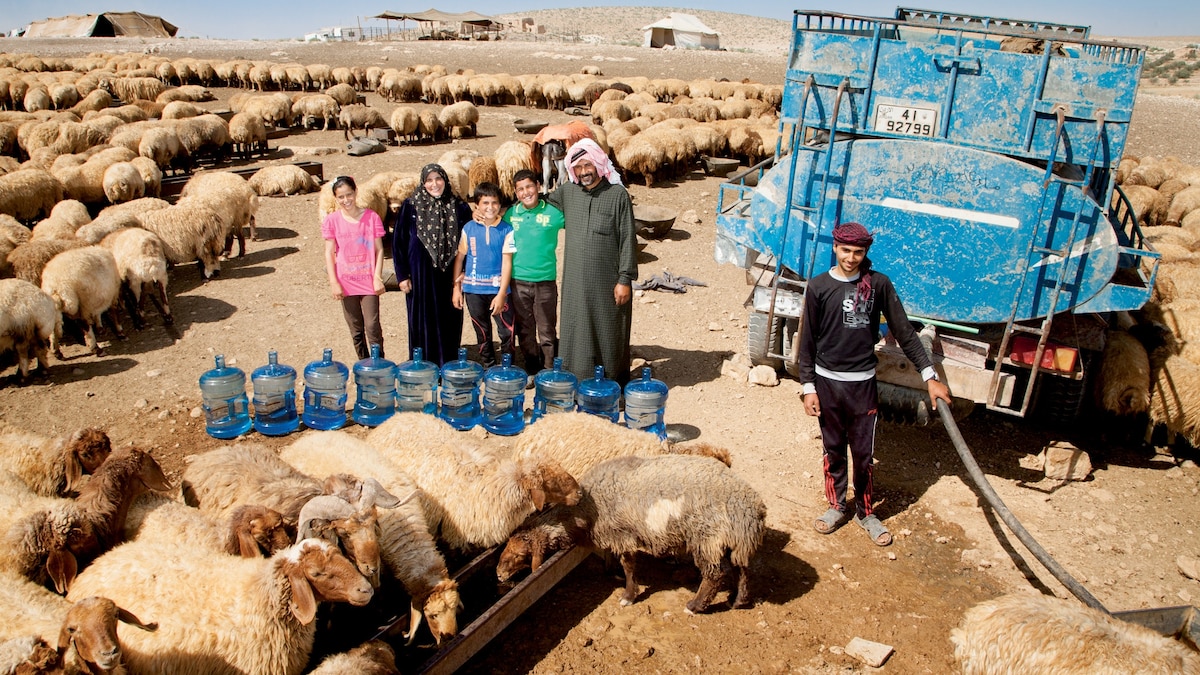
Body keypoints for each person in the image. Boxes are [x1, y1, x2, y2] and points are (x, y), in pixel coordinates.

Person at [798, 221, 951, 547]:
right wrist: (808, 387)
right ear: (835, 248)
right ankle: (837, 506)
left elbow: (905, 332)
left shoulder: (878, 284)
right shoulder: (819, 286)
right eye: (845, 250)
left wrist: (930, 377)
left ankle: (865, 513)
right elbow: (807, 342)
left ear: (865, 252)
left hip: (863, 386)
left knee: (863, 454)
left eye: (858, 252)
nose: (851, 258)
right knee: (833, 449)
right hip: (827, 384)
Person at [546, 138, 638, 387]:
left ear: (598, 164)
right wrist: (500, 214)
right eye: (577, 167)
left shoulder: (617, 195)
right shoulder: (568, 192)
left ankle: (612, 385)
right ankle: (576, 381)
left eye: (588, 165)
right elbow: (540, 206)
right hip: (575, 281)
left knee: (609, 329)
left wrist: (625, 279)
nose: (583, 171)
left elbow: (628, 238)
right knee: (577, 329)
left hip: (608, 281)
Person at [392, 164, 472, 366]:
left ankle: (447, 364)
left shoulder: (459, 207)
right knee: (421, 320)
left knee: (449, 319)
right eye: (429, 180)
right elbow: (398, 242)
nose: (434, 184)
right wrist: (402, 275)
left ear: (445, 180)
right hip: (419, 275)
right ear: (423, 182)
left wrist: (463, 273)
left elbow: (469, 242)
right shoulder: (411, 206)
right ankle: (422, 366)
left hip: (450, 275)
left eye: (438, 179)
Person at [505, 169, 565, 375]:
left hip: (545, 281)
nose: (526, 192)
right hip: (518, 282)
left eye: (529, 187)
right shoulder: (510, 215)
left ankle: (548, 371)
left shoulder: (554, 213)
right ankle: (531, 368)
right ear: (516, 192)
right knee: (525, 330)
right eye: (520, 189)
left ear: (538, 186)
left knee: (547, 329)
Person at [452, 182, 516, 369]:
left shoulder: (507, 230)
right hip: (473, 290)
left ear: (500, 205)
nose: (490, 207)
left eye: (494, 203)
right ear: (476, 206)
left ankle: (507, 369)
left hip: (498, 290)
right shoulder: (468, 228)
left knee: (507, 332)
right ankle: (488, 367)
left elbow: (507, 262)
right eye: (485, 203)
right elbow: (459, 259)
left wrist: (502, 293)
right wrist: (456, 288)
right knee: (482, 332)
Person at [322, 175, 385, 360]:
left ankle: (379, 364)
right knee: (356, 328)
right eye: (341, 197)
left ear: (356, 192)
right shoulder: (332, 221)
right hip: (346, 282)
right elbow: (329, 253)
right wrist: (334, 282)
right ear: (335, 198)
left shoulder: (371, 217)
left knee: (372, 326)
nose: (346, 200)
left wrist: (377, 277)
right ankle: (363, 364)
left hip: (368, 280)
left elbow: (379, 249)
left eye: (349, 194)